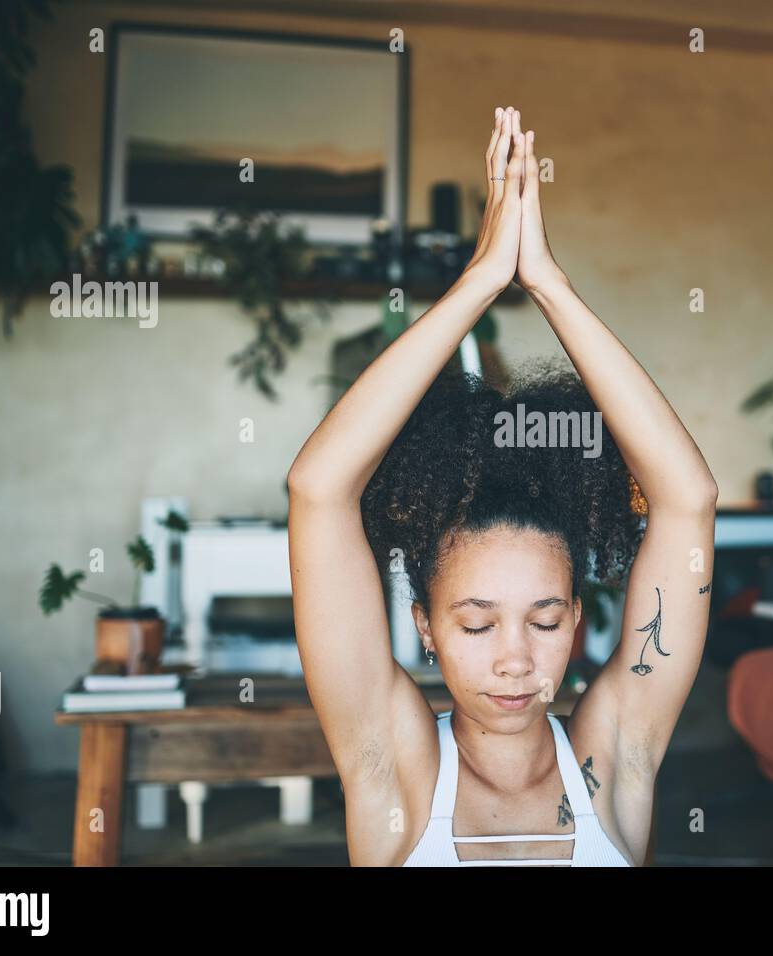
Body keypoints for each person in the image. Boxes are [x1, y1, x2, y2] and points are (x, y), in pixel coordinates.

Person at [287, 106, 718, 866]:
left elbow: (689, 500)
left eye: (545, 621)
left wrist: (548, 284)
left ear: (578, 619)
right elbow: (319, 488)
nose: (516, 660)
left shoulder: (613, 766)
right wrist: (480, 281)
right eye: (476, 626)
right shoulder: (395, 773)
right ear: (425, 626)